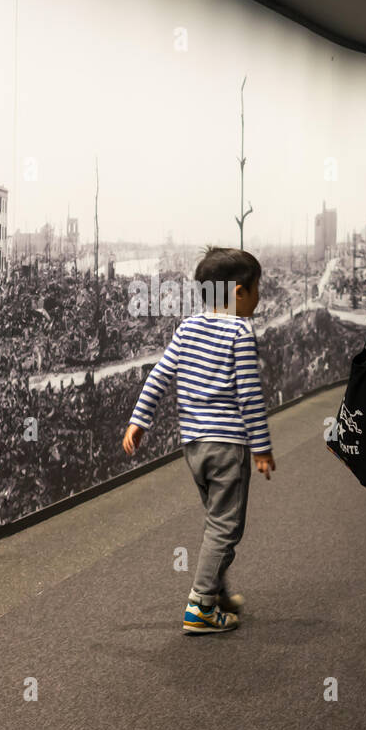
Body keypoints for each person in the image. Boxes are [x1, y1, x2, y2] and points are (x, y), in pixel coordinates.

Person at [122, 247, 274, 635]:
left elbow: (158, 376)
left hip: (194, 448)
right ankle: (200, 607)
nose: (259, 296)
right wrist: (260, 446)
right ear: (239, 292)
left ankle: (217, 594)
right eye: (257, 289)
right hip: (228, 445)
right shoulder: (240, 331)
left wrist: (139, 421)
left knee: (215, 523)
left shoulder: (188, 327)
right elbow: (250, 395)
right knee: (226, 528)